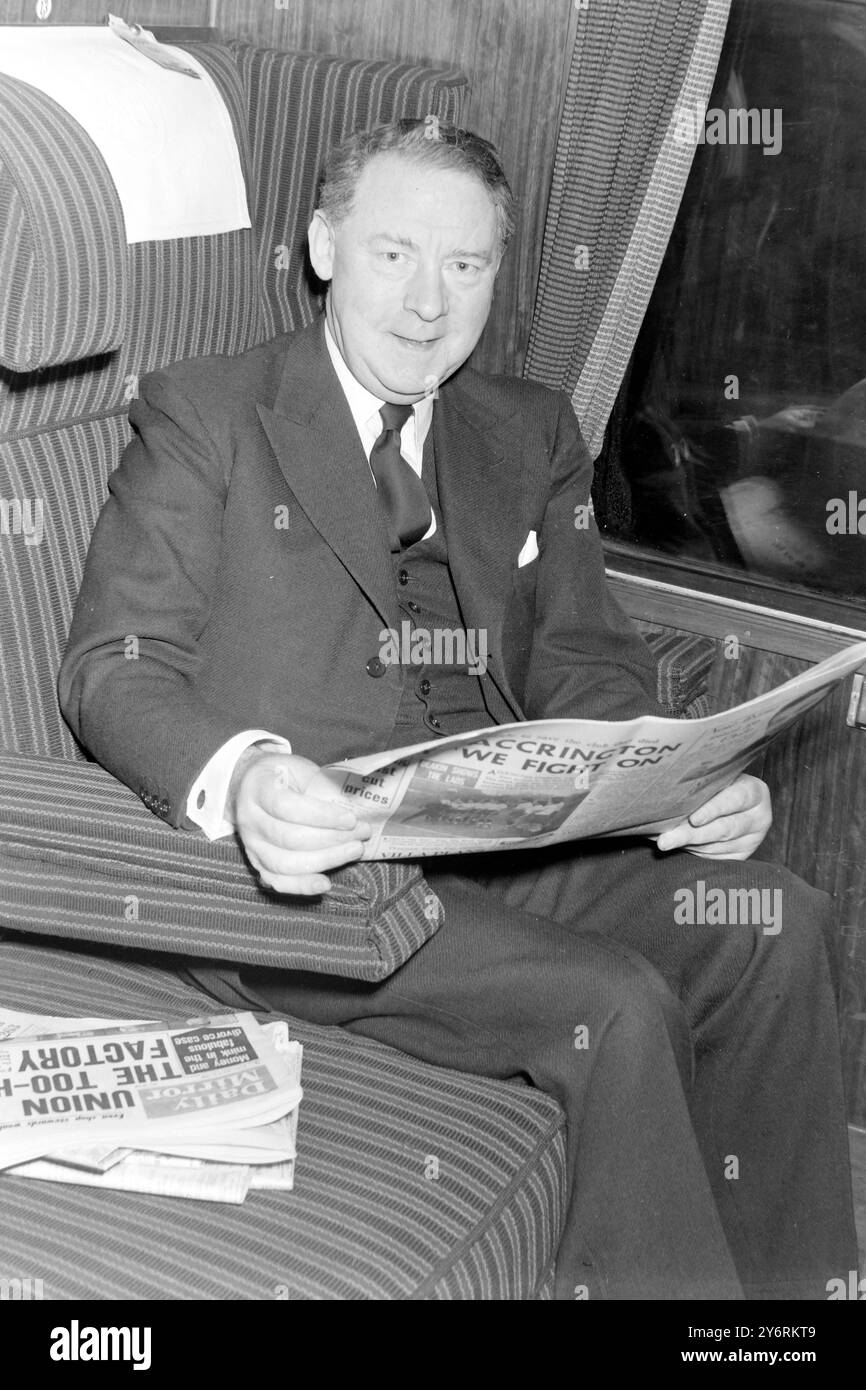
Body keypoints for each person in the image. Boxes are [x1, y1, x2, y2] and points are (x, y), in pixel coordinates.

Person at [59, 119, 858, 1301]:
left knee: (771, 923)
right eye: (392, 255)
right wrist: (249, 778)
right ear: (324, 246)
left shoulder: (525, 429)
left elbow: (582, 656)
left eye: (467, 266)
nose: (428, 304)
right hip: (316, 878)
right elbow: (110, 667)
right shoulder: (207, 414)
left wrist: (673, 771)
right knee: (613, 1003)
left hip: (503, 832)